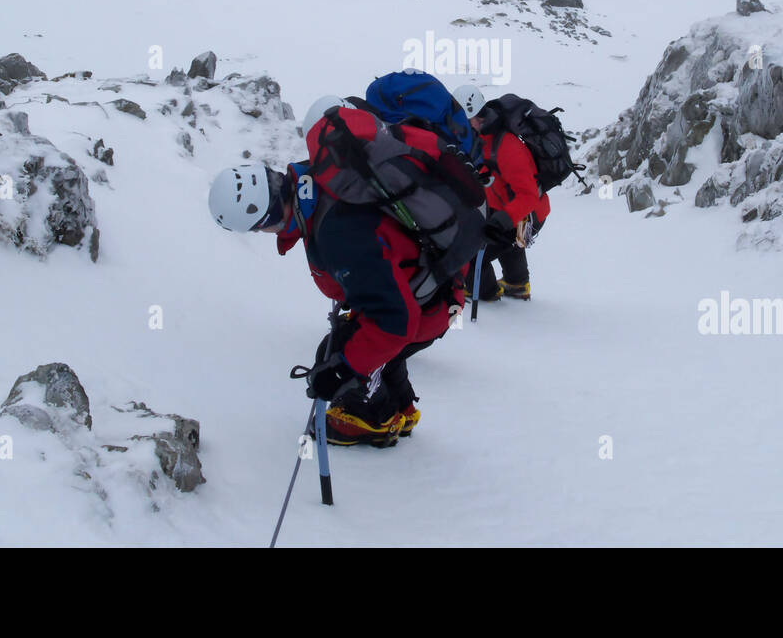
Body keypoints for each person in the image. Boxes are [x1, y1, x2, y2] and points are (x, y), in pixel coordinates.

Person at [208, 97, 469, 448]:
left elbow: (396, 320)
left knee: (338, 354)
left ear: (263, 222)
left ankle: (375, 420)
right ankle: (402, 408)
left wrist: (343, 371)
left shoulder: (337, 235)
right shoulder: (318, 177)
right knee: (356, 339)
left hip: (428, 302)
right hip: (429, 279)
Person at [453, 86, 550, 303]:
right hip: (515, 210)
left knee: (473, 252)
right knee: (510, 242)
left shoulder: (507, 146)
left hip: (529, 214)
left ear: (477, 118)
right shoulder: (482, 139)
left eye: (464, 122)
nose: (460, 128)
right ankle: (517, 285)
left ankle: (483, 291)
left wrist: (501, 221)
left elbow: (528, 195)